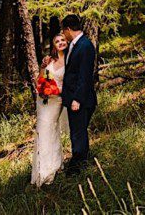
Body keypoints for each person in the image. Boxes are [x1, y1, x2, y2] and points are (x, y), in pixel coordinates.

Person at [60, 14, 97, 175]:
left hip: (81, 100)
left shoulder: (85, 45)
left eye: (63, 30)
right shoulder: (73, 46)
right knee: (79, 132)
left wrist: (77, 99)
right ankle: (80, 164)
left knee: (78, 134)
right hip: (73, 98)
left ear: (68, 29)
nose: (63, 34)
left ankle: (76, 170)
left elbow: (85, 75)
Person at [30, 34, 68, 186]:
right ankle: (42, 171)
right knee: (43, 131)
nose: (60, 43)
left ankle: (53, 167)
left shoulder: (70, 60)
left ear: (67, 42)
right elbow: (42, 79)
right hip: (44, 101)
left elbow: (69, 83)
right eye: (57, 41)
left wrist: (56, 91)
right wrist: (42, 68)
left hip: (57, 100)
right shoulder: (49, 60)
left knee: (51, 130)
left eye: (62, 40)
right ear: (53, 45)